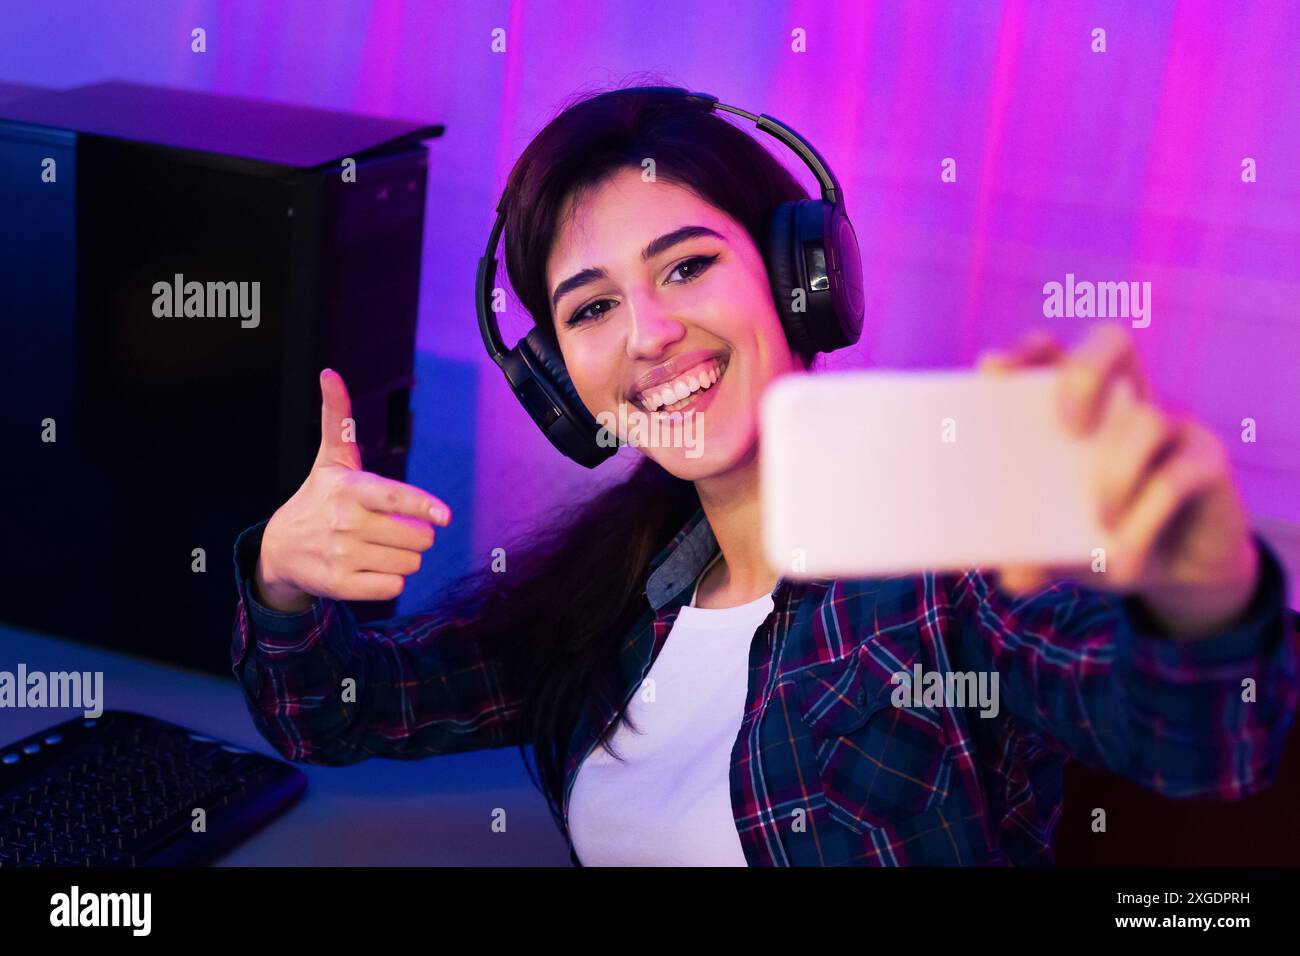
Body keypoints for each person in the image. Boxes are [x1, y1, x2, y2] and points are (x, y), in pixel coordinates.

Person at [230, 86, 1296, 866]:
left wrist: (1201, 589)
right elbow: (333, 713)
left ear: (800, 280)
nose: (648, 333)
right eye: (592, 307)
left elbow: (1206, 736)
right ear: (561, 381)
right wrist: (282, 580)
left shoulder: (939, 573)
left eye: (688, 265)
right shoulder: (610, 600)